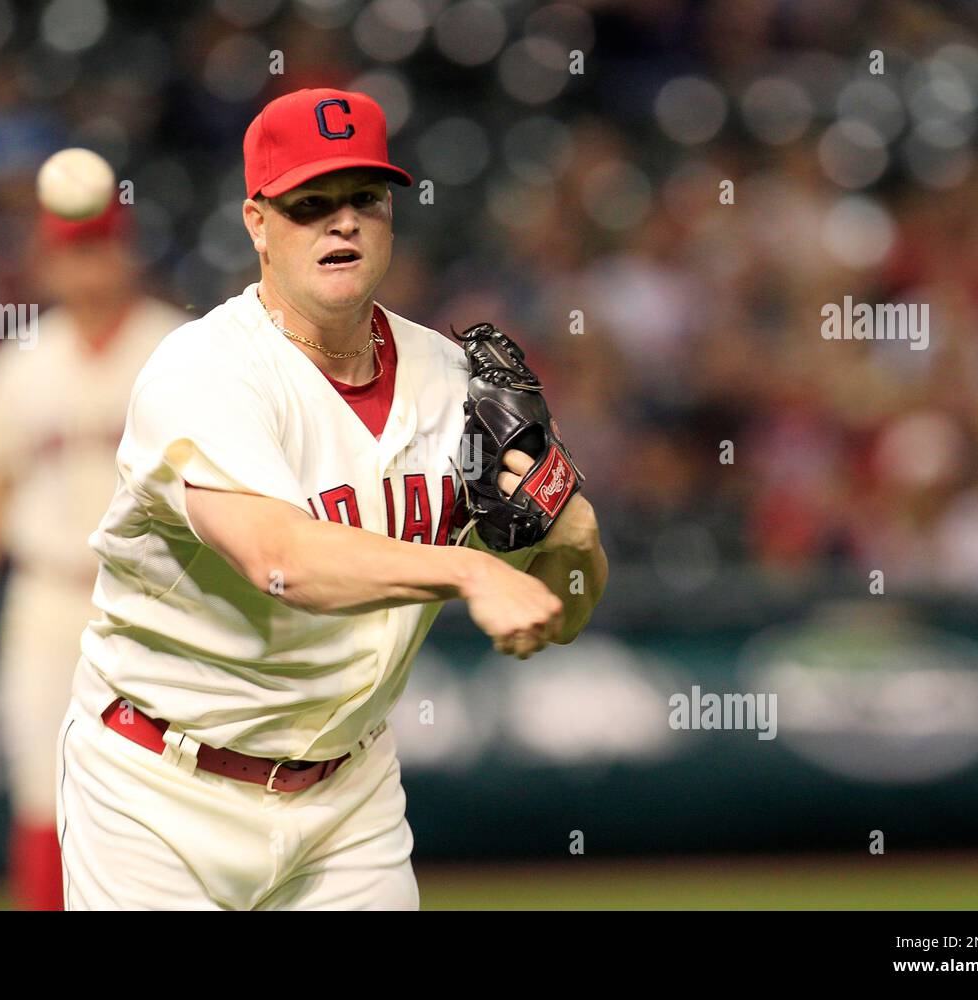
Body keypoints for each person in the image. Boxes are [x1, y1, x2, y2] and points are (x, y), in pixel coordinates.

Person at [56, 87, 608, 910]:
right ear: (257, 224)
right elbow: (279, 559)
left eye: (365, 199)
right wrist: (470, 572)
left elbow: (561, 616)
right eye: (310, 204)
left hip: (348, 798)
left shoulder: (454, 382)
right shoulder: (204, 370)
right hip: (158, 790)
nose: (342, 222)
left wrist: (573, 535)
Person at [0, 201, 186, 909]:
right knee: (42, 793)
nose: (85, 266)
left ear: (126, 251)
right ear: (45, 260)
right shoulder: (21, 363)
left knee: (171, 794)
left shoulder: (179, 351)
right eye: (70, 251)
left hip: (156, 602)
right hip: (48, 596)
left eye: (97, 248)